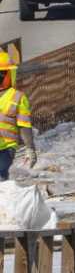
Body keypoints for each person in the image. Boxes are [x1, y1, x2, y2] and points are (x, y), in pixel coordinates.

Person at [0, 49, 34, 181]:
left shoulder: (17, 97)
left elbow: (24, 125)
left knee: (1, 177)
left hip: (6, 148)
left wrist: (30, 148)